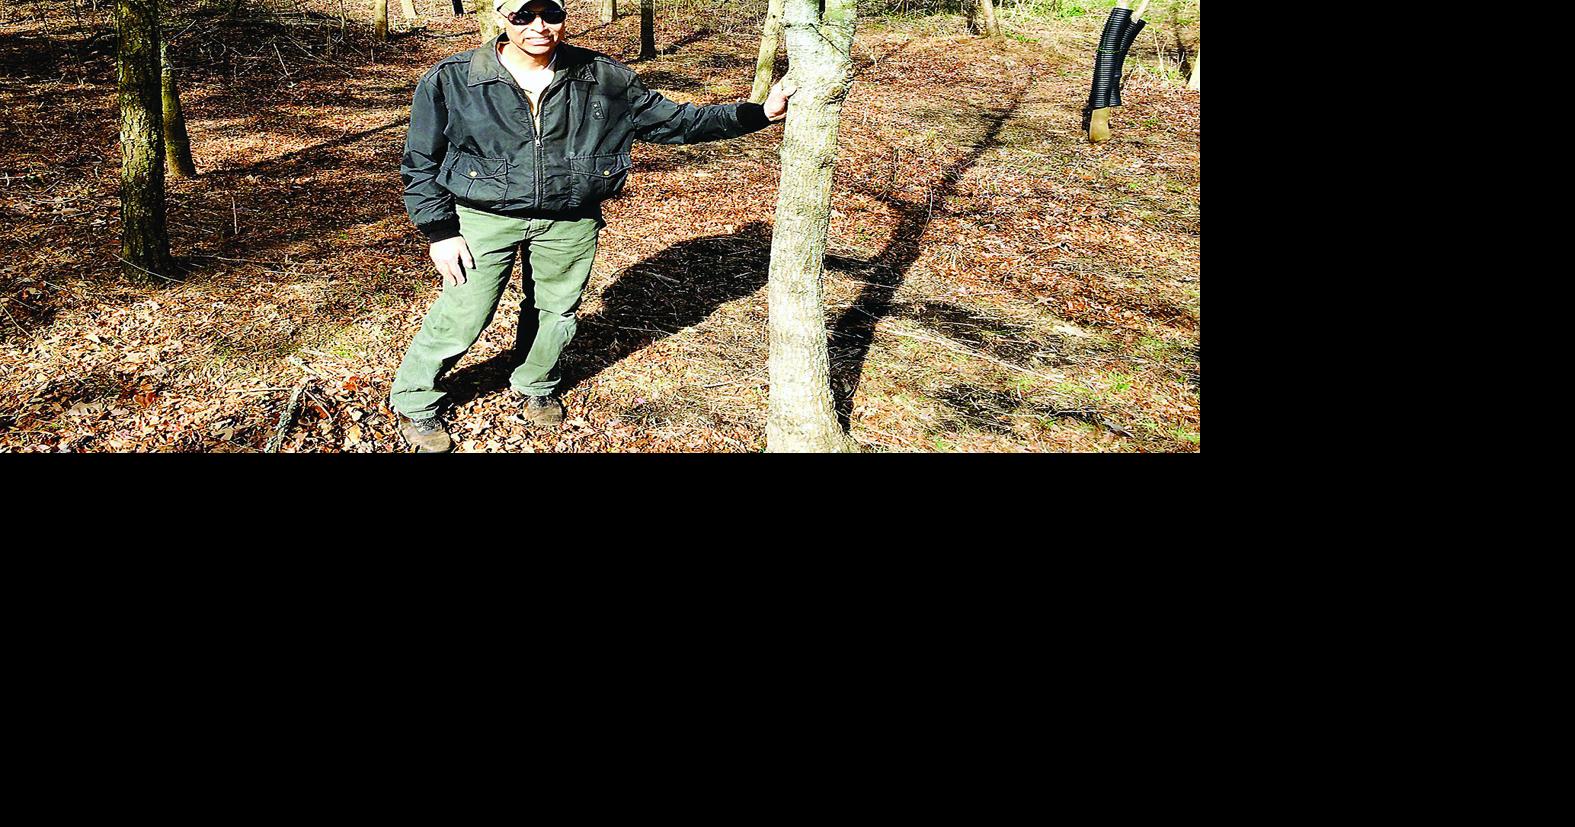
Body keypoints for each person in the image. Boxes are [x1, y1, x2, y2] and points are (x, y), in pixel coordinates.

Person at [390, 0, 794, 452]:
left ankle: (535, 383)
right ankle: (415, 398)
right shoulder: (453, 78)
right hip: (484, 216)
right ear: (501, 18)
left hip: (571, 218)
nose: (538, 26)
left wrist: (759, 113)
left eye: (551, 14)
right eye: (523, 15)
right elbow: (421, 161)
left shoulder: (603, 77)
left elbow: (676, 122)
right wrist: (440, 231)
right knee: (464, 312)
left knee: (555, 311)